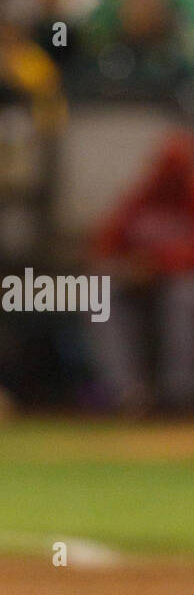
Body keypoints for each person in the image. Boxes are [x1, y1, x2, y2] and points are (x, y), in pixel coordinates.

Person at [90, 128, 194, 412]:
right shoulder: (138, 202)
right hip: (139, 289)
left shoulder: (190, 202)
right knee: (99, 293)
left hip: (178, 287)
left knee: (184, 295)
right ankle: (127, 393)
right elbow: (102, 247)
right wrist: (127, 268)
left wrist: (158, 264)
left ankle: (180, 393)